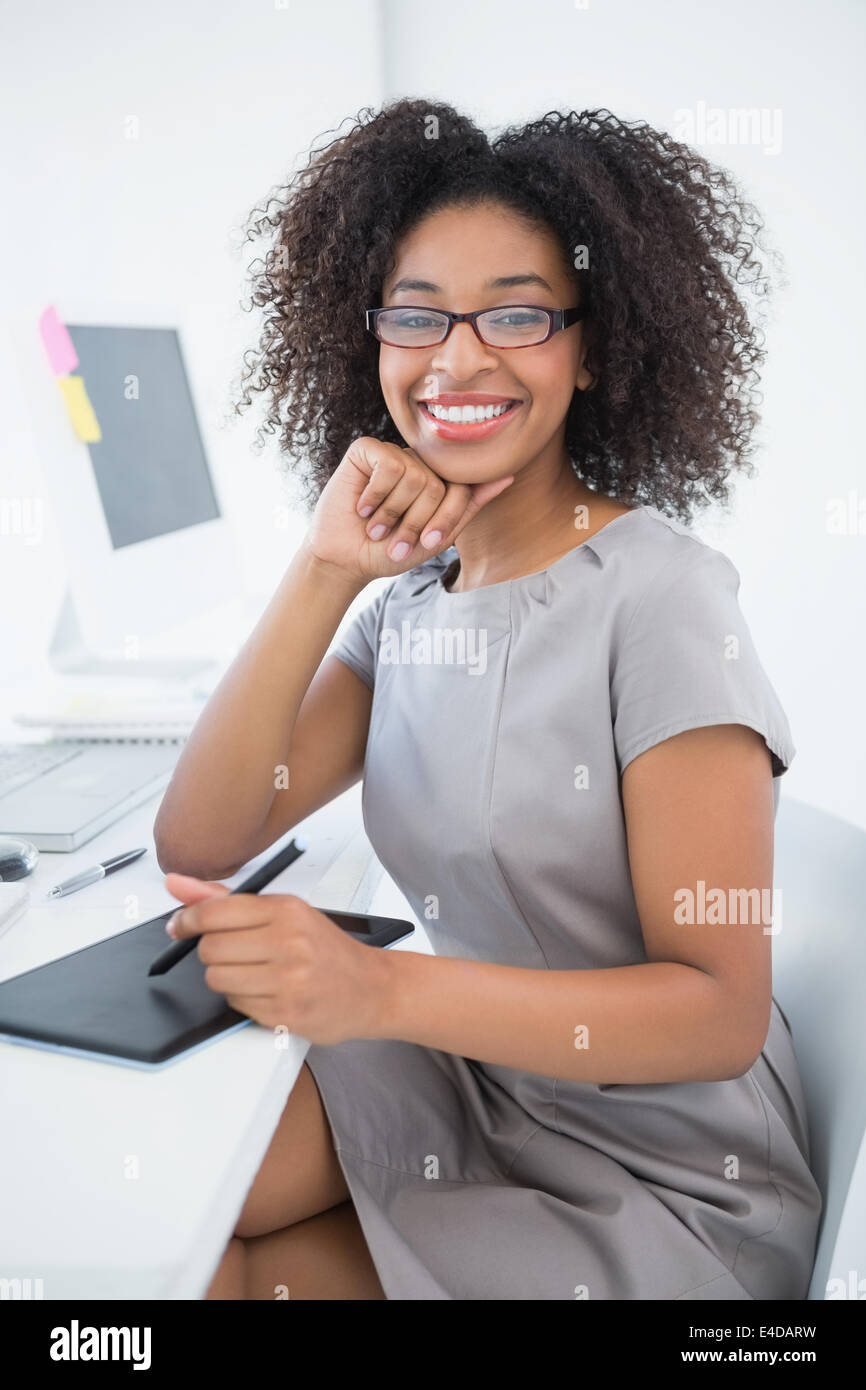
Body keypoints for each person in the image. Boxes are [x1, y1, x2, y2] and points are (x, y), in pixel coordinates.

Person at [154, 100, 822, 1300]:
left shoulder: (659, 599)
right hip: (478, 1079)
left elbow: (719, 1011)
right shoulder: (408, 604)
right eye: (416, 316)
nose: (456, 359)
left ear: (592, 345)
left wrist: (377, 989)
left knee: (219, 1275)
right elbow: (201, 839)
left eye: (515, 313)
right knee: (184, 1203)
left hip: (665, 1180)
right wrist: (321, 569)